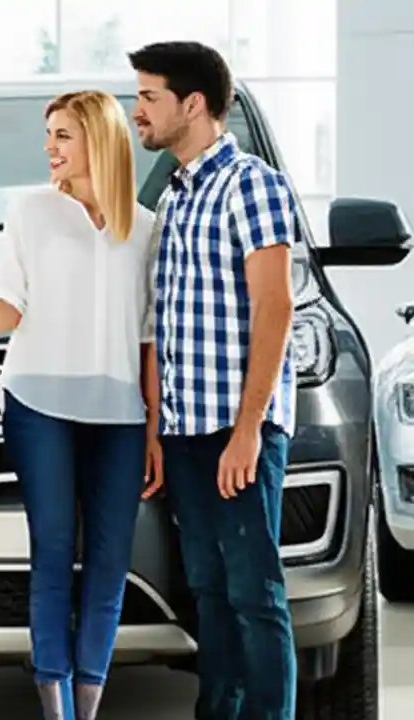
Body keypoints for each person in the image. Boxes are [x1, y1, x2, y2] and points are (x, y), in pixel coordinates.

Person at [0, 90, 163, 720]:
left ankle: (90, 706)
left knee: (110, 561)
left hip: (119, 415)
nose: (49, 147)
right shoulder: (29, 211)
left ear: (99, 140)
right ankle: (55, 708)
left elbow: (147, 338)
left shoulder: (145, 228)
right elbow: (8, 307)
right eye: (49, 134)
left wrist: (154, 430)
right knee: (53, 550)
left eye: (63, 135)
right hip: (38, 405)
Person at [128, 41, 299, 719]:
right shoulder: (173, 196)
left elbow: (275, 306)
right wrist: (159, 431)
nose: (137, 110)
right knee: (209, 587)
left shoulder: (249, 185)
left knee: (256, 593)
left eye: (149, 96)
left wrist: (249, 431)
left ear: (191, 104)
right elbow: (167, 325)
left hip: (237, 432)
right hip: (187, 433)